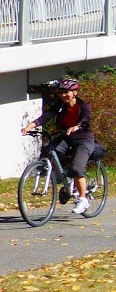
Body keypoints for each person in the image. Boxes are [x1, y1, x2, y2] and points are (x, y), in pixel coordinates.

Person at [21, 78, 99, 216]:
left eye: (67, 92)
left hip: (83, 140)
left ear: (74, 92)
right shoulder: (60, 106)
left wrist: (77, 126)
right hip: (66, 138)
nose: (64, 95)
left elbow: (85, 119)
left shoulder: (83, 105)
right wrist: (30, 126)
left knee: (77, 168)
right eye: (61, 92)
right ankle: (66, 181)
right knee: (49, 151)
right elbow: (46, 116)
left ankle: (82, 199)